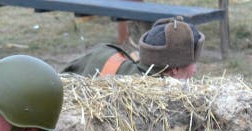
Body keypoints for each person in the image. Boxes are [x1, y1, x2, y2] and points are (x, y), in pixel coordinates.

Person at [62, 16, 205, 79]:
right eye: (193, 62)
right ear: (175, 69)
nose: (195, 70)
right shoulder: (150, 98)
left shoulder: (107, 53)